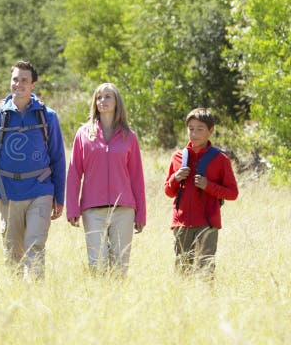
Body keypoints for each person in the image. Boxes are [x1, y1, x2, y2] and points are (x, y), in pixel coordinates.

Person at [0, 60, 66, 280]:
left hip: (41, 190)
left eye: (24, 80)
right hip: (8, 193)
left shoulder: (47, 116)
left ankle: (35, 298)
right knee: (13, 254)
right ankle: (17, 300)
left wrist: (59, 197)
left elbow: (58, 159)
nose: (19, 84)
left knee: (35, 245)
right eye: (15, 79)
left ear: (33, 84)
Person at [65, 83, 147, 276]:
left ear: (117, 101)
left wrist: (141, 213)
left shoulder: (129, 137)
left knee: (120, 267)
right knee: (97, 266)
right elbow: (74, 173)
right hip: (92, 210)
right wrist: (72, 208)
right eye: (99, 97)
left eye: (108, 96)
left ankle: (118, 304)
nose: (103, 101)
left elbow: (137, 177)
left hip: (124, 211)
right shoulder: (83, 135)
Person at [164, 107, 239, 278]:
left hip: (207, 224)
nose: (194, 133)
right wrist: (176, 178)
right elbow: (168, 191)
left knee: (205, 272)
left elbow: (232, 193)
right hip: (181, 224)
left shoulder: (221, 159)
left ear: (210, 131)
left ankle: (207, 303)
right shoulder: (177, 157)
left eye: (200, 129)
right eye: (191, 129)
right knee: (182, 271)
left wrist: (208, 186)